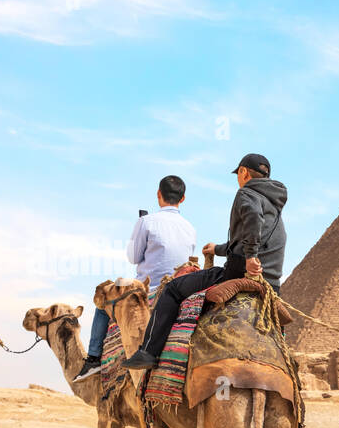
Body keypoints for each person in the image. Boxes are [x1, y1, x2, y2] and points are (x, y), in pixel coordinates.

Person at [121, 154, 286, 370]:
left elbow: (253, 219)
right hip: (272, 282)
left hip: (238, 272)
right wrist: (217, 249)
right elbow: (247, 237)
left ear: (244, 172)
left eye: (239, 174)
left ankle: (148, 353)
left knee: (172, 290)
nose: (238, 178)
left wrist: (251, 255)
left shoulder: (246, 193)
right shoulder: (274, 202)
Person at [74, 176, 196, 381]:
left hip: (148, 290)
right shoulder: (190, 228)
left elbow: (133, 258)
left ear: (159, 195)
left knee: (103, 300)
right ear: (182, 199)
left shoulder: (146, 221)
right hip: (180, 288)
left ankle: (93, 358)